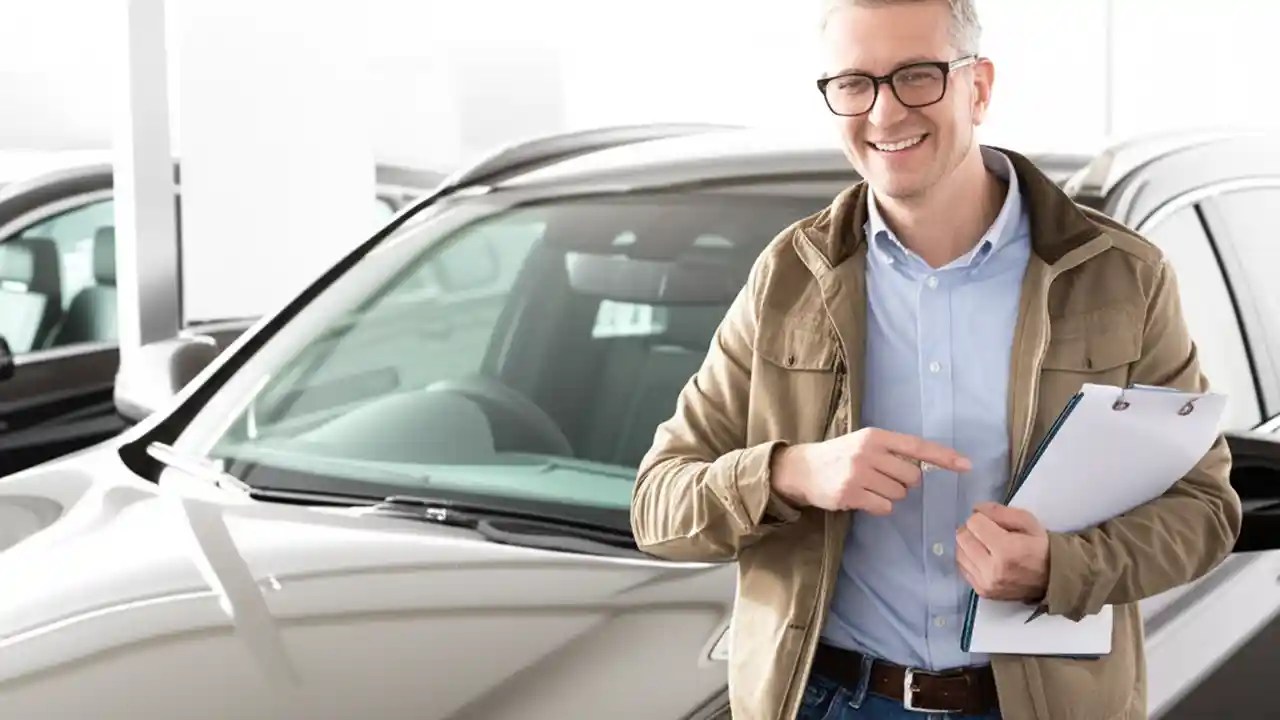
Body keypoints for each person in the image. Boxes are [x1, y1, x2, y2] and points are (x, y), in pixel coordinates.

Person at [629, 0, 1242, 718]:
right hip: (834, 701)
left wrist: (1061, 566)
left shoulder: (1121, 277)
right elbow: (658, 506)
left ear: (978, 88)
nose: (884, 114)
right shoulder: (785, 280)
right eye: (854, 82)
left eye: (917, 76)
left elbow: (1205, 510)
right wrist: (792, 472)